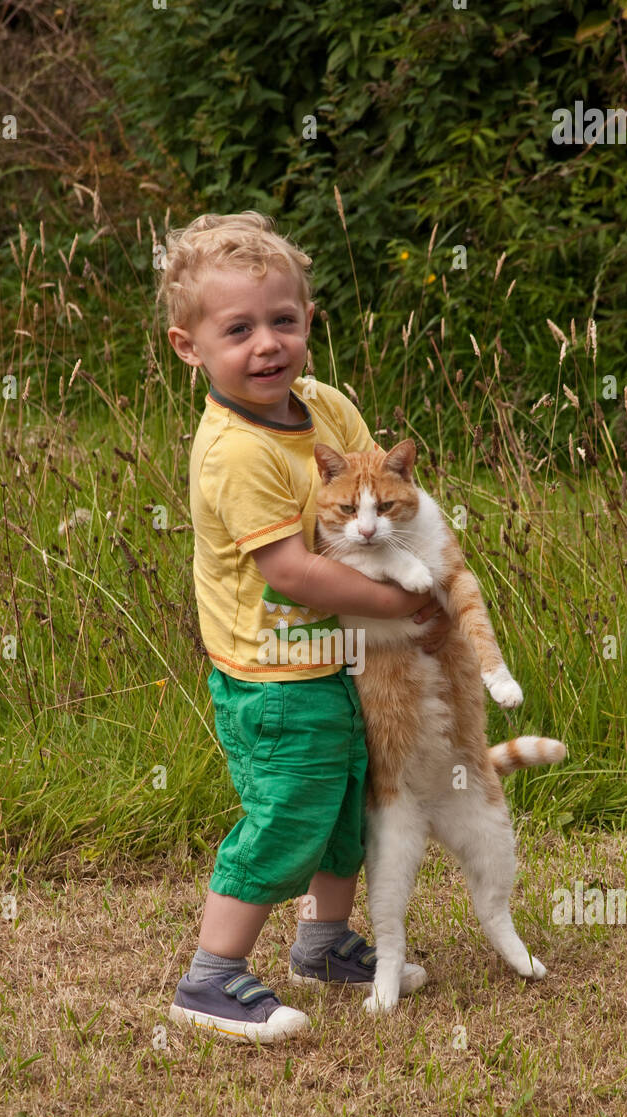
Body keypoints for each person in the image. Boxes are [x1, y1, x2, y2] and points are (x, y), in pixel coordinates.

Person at [162, 211, 448, 1042]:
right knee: (291, 807)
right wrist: (403, 604)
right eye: (239, 329)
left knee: (348, 798)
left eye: (282, 321)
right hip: (272, 673)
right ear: (191, 348)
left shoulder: (325, 407)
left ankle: (322, 944)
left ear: (308, 324)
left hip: (338, 656)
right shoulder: (235, 452)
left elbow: (381, 498)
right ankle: (211, 976)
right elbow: (289, 570)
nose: (266, 344)